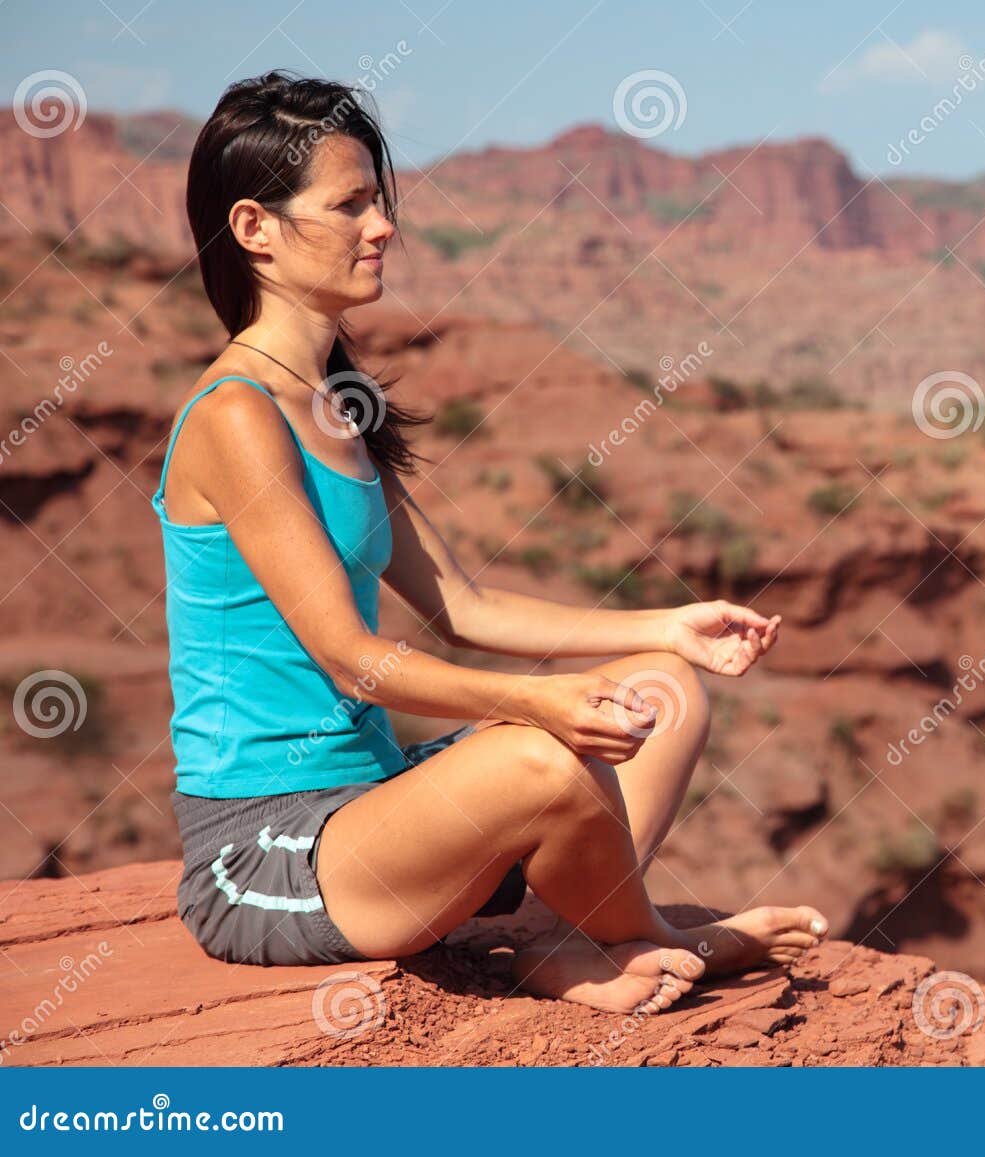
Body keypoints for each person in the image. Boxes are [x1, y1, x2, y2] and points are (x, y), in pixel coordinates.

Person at [156, 70, 825, 1015]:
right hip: (268, 850)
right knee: (541, 755)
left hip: (380, 807)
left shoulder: (336, 407)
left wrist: (671, 627)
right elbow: (354, 662)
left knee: (662, 697)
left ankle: (563, 944)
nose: (382, 226)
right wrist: (536, 702)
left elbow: (464, 607)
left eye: (379, 203)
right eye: (349, 205)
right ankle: (667, 943)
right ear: (255, 228)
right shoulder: (235, 415)